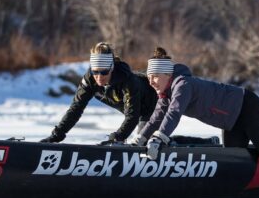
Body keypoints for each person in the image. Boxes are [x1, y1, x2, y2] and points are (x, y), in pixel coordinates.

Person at [130, 47, 259, 169]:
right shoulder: (165, 93)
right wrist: (141, 138)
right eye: (149, 77)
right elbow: (158, 115)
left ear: (168, 75)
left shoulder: (183, 85)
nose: (151, 82)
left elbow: (174, 113)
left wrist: (159, 138)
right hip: (231, 121)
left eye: (155, 76)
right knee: (233, 163)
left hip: (247, 107)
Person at [40, 42, 215, 146]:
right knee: (144, 142)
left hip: (151, 105)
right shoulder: (90, 81)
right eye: (95, 72)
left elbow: (132, 116)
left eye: (104, 72)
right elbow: (75, 109)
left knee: (150, 143)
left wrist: (118, 138)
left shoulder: (127, 81)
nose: (99, 77)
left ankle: (205, 144)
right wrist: (56, 136)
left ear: (112, 68)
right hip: (134, 111)